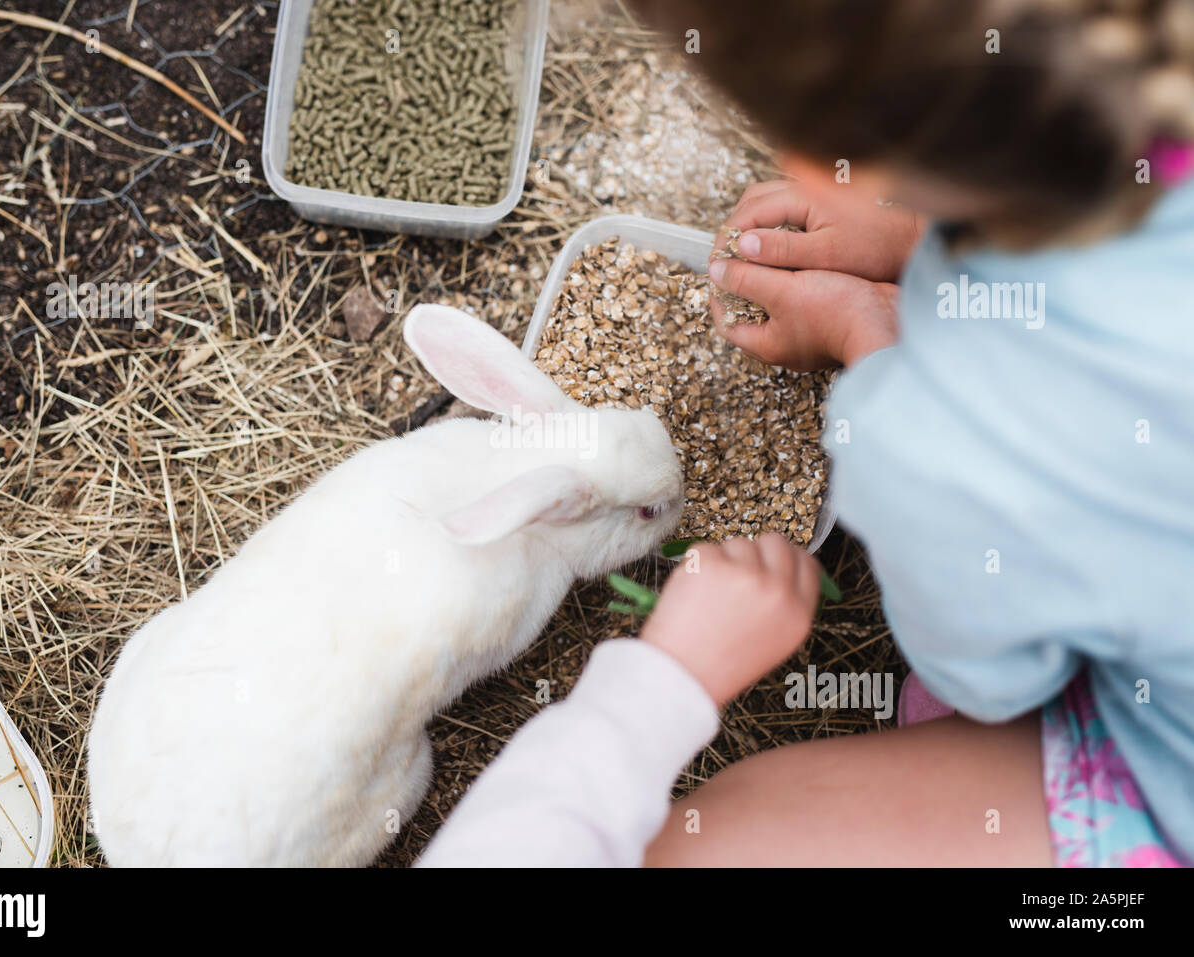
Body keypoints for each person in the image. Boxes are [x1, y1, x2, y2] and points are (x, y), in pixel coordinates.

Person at [419, 0, 1194, 867]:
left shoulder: (924, 447)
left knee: (727, 832)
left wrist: (878, 346)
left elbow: (1001, 679)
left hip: (1166, 781)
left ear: (824, 156)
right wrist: (918, 239)